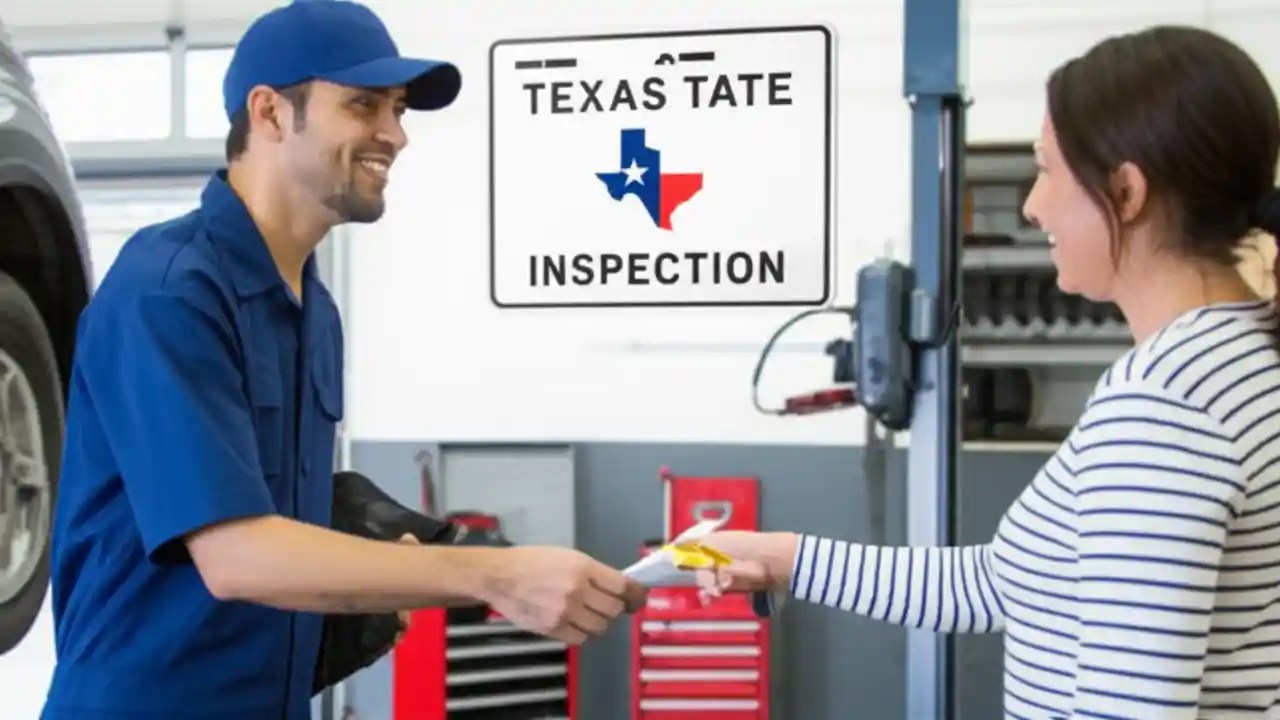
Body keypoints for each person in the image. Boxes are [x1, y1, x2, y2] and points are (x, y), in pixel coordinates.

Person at [39, 3, 643, 719]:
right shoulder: (168, 291)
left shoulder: (313, 311)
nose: (395, 133)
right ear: (268, 113)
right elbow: (237, 557)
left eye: (397, 109)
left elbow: (270, 536)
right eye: (364, 105)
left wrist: (377, 574)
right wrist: (492, 575)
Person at [696, 25, 1280, 719]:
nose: (1034, 204)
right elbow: (999, 583)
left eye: (1048, 168)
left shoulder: (1163, 405)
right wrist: (785, 557)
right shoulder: (1241, 358)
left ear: (1125, 191)